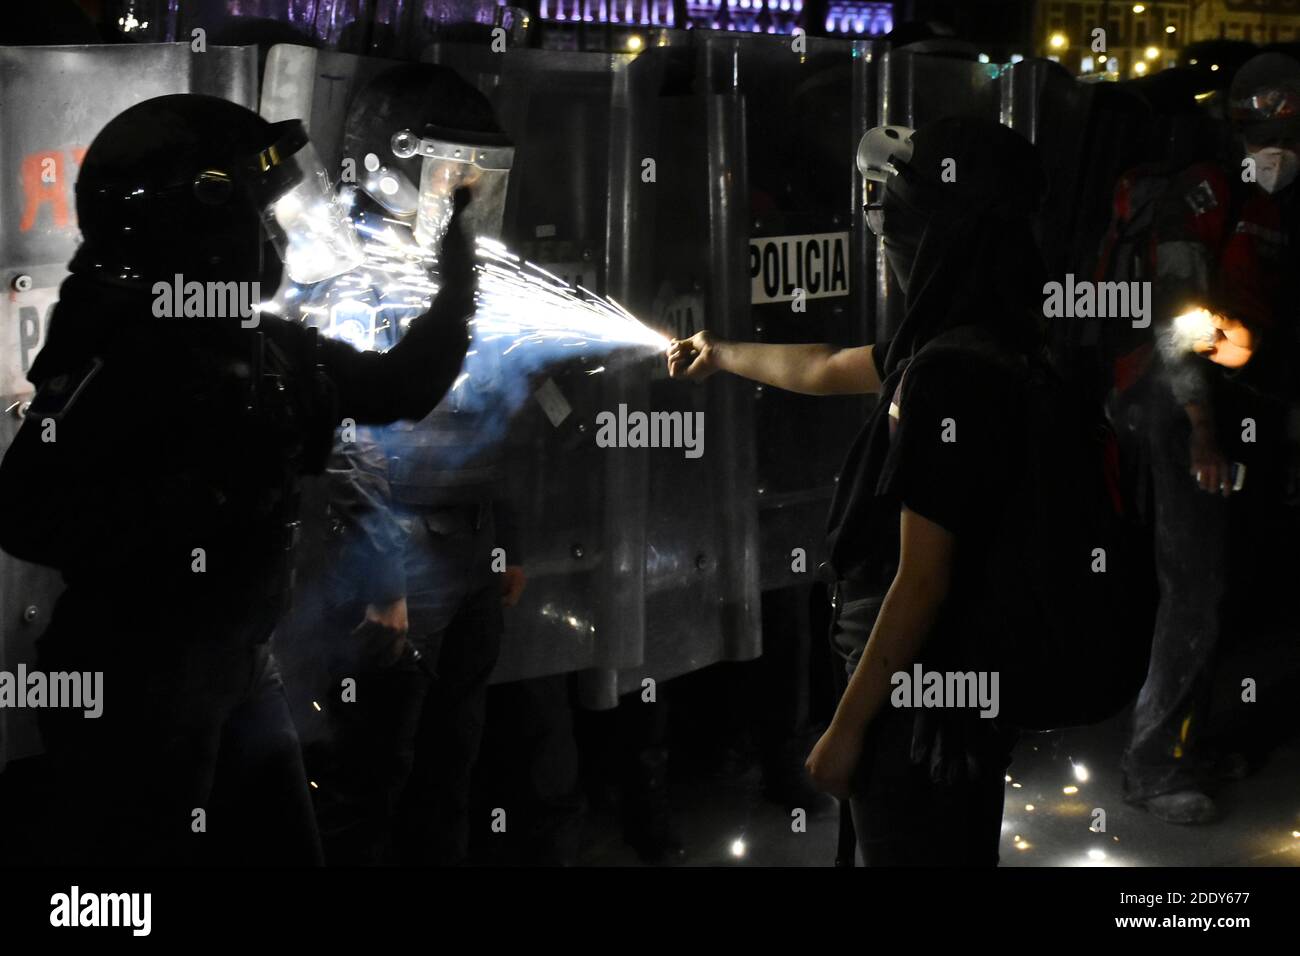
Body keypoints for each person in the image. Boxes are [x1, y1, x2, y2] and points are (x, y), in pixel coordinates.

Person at [0, 94, 474, 865]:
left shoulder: (265, 348)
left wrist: (458, 283)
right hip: (133, 686)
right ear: (204, 219)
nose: (272, 235)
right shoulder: (116, 356)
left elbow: (400, 389)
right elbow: (23, 511)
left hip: (240, 666)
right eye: (258, 213)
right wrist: (202, 498)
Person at [668, 117, 1047, 865]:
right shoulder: (976, 339)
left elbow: (922, 580)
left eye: (897, 221)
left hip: (917, 705)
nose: (888, 237)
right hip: (942, 696)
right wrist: (721, 354)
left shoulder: (950, 376)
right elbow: (824, 365)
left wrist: (846, 728)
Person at [304, 64, 526, 866]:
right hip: (400, 565)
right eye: (454, 174)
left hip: (467, 556)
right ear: (393, 167)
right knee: (372, 779)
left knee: (448, 773)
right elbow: (347, 440)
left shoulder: (464, 275)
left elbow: (495, 411)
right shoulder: (351, 278)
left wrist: (506, 539)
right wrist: (382, 579)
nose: (468, 192)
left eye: (480, 176)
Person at [1115, 52, 1300, 824]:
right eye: (1262, 127)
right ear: (1235, 126)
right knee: (1192, 589)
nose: (1276, 146)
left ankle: (1191, 740)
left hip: (1238, 405)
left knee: (1224, 584)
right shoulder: (1203, 195)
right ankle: (1150, 767)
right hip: (1176, 402)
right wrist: (1201, 434)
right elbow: (1179, 323)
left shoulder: (1278, 205)